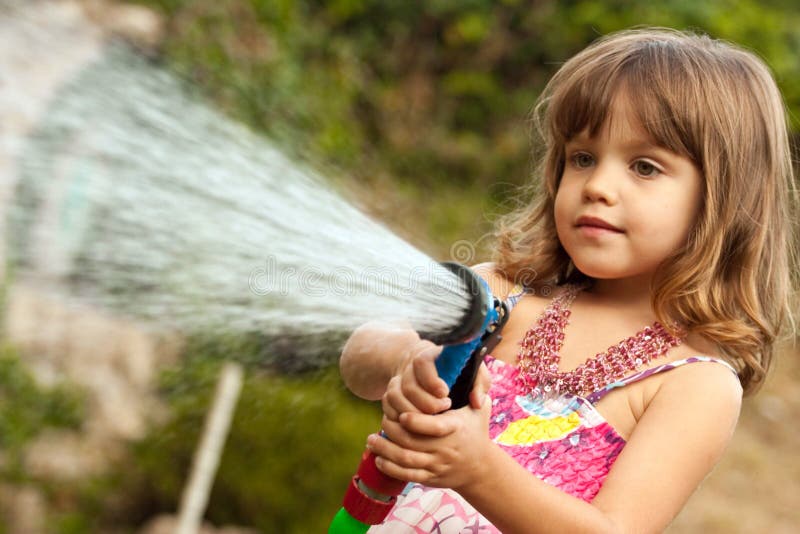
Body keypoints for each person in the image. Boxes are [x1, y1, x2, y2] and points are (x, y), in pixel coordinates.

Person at [339, 27, 796, 533]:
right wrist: (408, 357)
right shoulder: (503, 294)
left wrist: (478, 471)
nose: (597, 186)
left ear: (721, 200)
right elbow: (358, 358)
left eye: (645, 167)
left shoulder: (693, 382)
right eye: (582, 158)